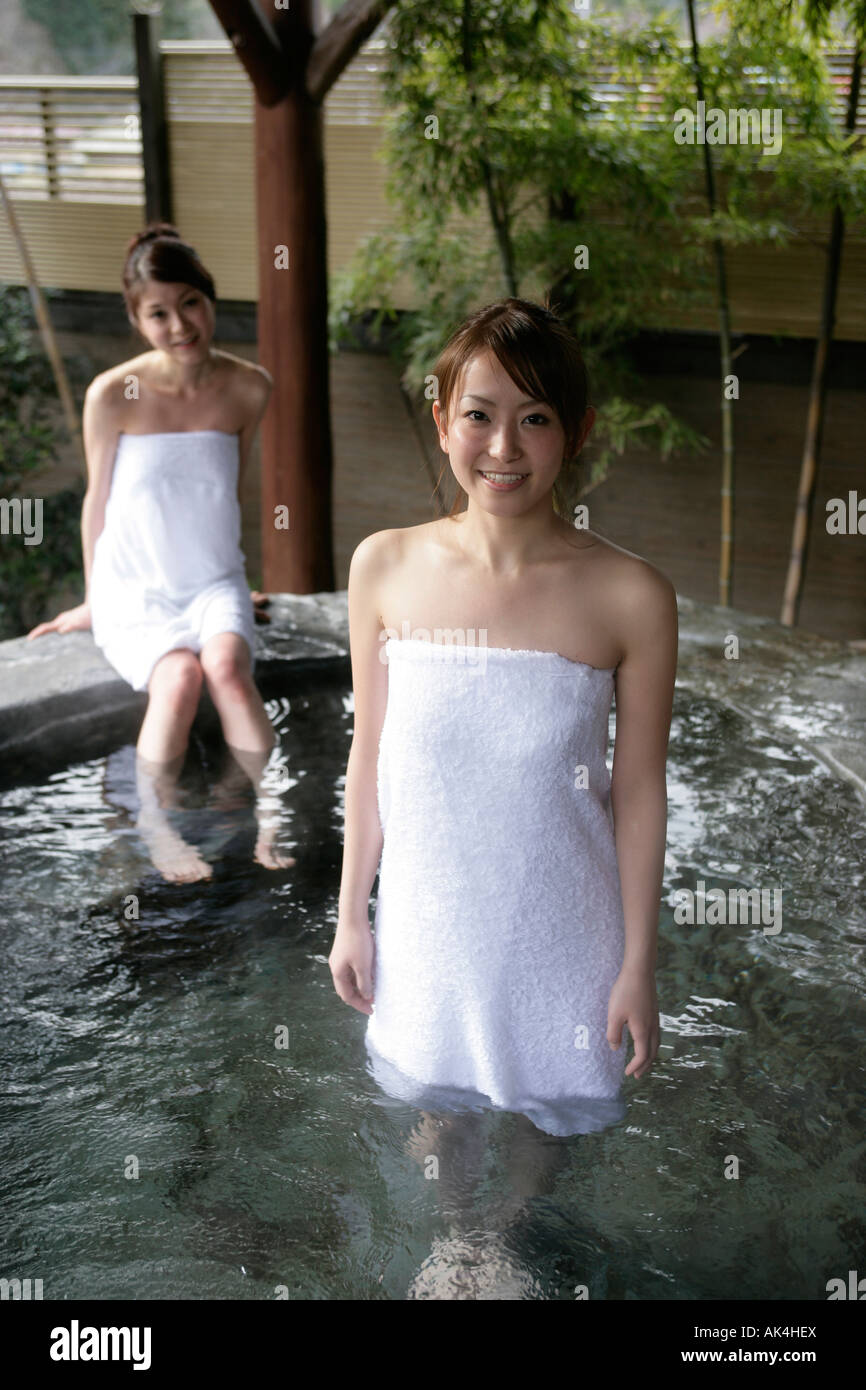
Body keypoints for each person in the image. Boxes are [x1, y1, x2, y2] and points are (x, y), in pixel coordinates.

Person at [329, 296, 676, 1145]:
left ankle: (510, 1241)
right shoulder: (386, 566)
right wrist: (351, 916)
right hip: (430, 922)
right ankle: (459, 1246)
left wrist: (638, 963)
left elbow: (638, 794)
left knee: (542, 1143)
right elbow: (368, 752)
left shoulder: (631, 596)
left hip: (562, 930)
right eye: (479, 415)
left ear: (577, 430)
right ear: (443, 419)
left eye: (536, 419)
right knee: (436, 1124)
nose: (504, 448)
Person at [27, 222, 292, 882]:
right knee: (178, 679)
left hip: (212, 577)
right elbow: (97, 500)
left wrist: (238, 586)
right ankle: (156, 824)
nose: (179, 325)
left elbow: (226, 487)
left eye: (190, 303)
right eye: (158, 313)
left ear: (210, 298)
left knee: (228, 666)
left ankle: (276, 813)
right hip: (136, 584)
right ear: (137, 319)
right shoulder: (113, 395)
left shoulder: (249, 387)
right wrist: (92, 600)